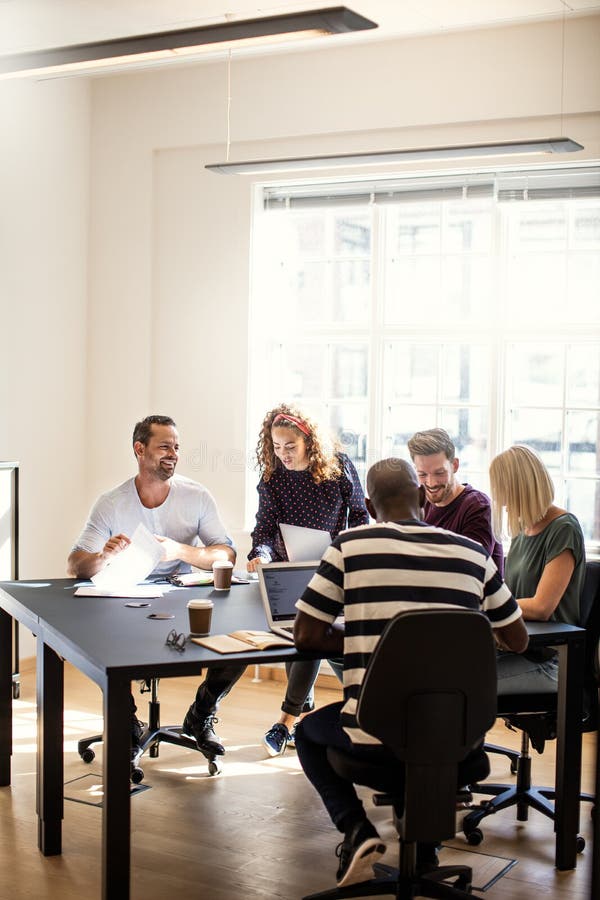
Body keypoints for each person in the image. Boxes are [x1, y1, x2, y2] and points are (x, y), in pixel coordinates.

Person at [293, 458, 529, 889]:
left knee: (308, 730)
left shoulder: (350, 545)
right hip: (459, 737)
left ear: (367, 504)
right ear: (421, 496)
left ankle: (356, 831)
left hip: (374, 736)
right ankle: (424, 851)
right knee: (419, 721)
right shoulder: (472, 554)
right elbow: (517, 639)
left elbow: (306, 634)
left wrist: (368, 637)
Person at [68, 415, 246, 760]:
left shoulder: (195, 496)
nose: (173, 454)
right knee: (93, 642)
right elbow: (75, 565)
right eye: (164, 446)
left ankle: (201, 714)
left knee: (240, 639)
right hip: (127, 601)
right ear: (140, 449)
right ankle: (128, 720)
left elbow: (226, 553)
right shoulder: (111, 502)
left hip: (183, 602)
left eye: (176, 447)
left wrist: (179, 550)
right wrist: (103, 556)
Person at [247, 403, 369, 757]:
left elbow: (360, 515)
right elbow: (264, 530)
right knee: (300, 637)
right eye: (276, 447)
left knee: (309, 636)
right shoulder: (273, 477)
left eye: (290, 447)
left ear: (309, 442)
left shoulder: (338, 468)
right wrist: (262, 555)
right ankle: (303, 716)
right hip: (289, 570)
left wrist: (347, 552)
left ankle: (286, 721)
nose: (282, 455)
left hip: (334, 568)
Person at [489, 444, 586, 695]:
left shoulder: (564, 528)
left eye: (503, 492)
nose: (500, 501)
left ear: (520, 489)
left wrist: (490, 607)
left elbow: (542, 607)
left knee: (458, 685)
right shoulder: (522, 532)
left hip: (551, 662)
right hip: (522, 650)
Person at [408, 427, 504, 575]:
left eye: (440, 473)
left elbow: (467, 568)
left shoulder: (478, 506)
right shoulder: (418, 503)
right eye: (422, 474)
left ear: (455, 465)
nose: (431, 482)